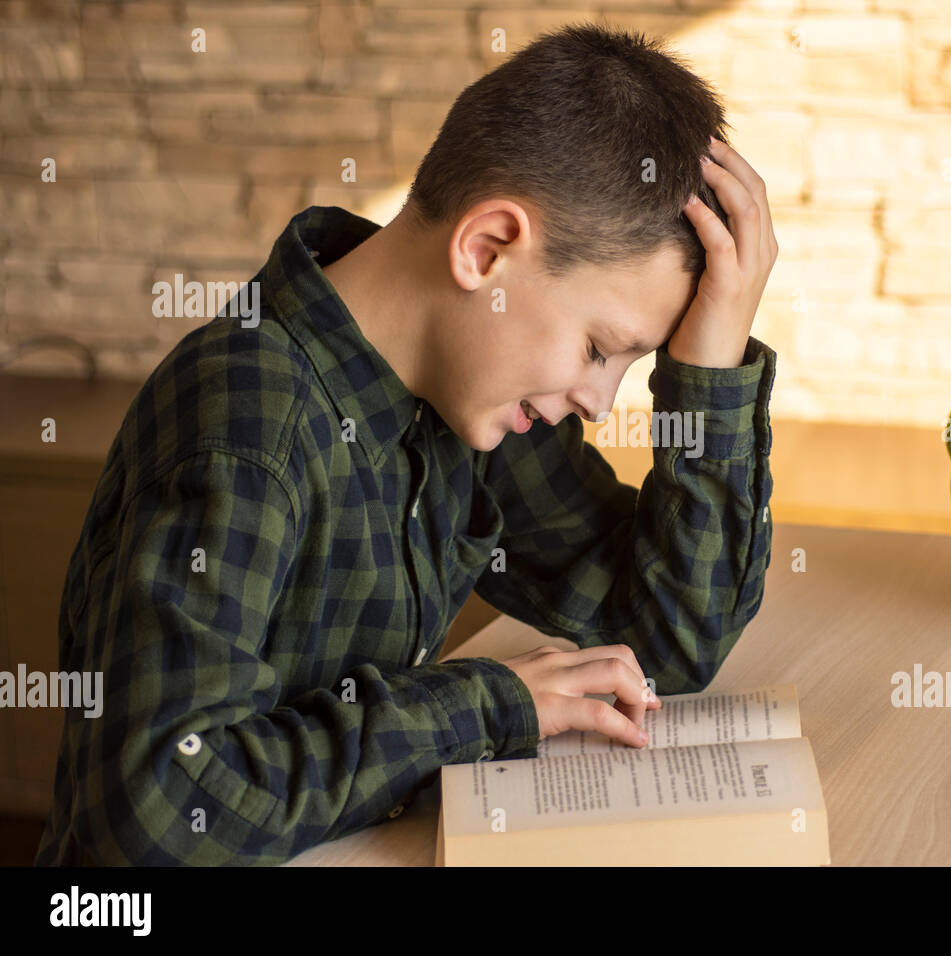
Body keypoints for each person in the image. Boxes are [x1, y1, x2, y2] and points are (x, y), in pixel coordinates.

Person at [35, 22, 778, 865]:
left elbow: (668, 641)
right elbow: (161, 808)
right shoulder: (244, 429)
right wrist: (484, 706)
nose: (599, 403)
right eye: (600, 349)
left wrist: (710, 367)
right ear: (487, 248)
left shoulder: (474, 395)